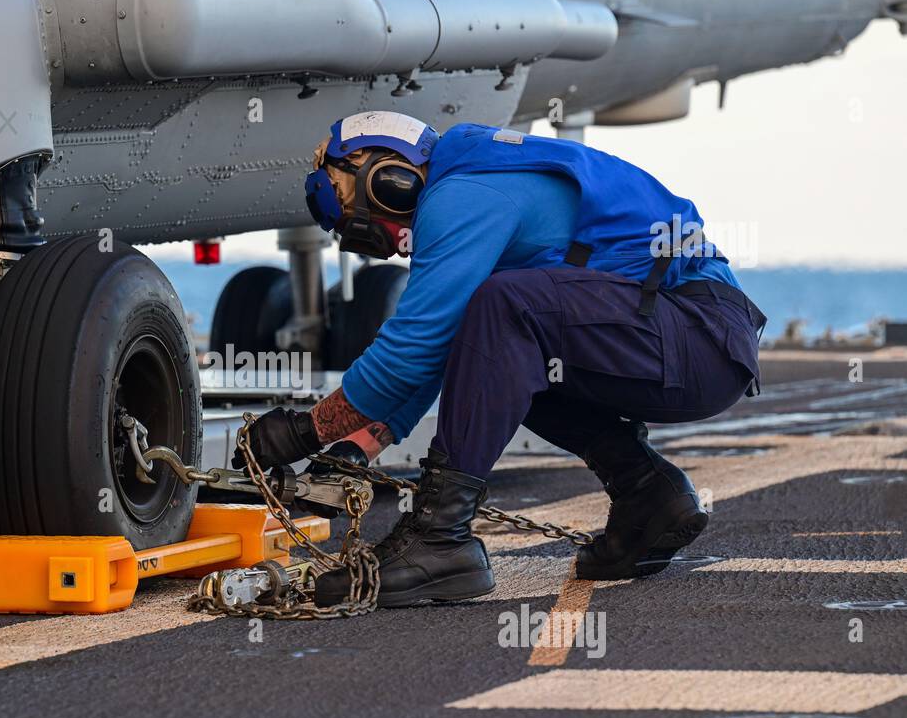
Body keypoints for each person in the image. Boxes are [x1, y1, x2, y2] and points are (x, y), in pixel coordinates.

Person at [238, 111, 766, 608]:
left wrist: (302, 431)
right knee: (504, 353)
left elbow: (412, 345)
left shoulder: (460, 195)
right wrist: (355, 450)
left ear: (386, 175)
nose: (372, 228)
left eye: (354, 201)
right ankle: (649, 495)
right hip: (698, 344)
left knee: (506, 306)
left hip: (698, 335)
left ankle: (440, 539)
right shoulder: (474, 180)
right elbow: (446, 345)